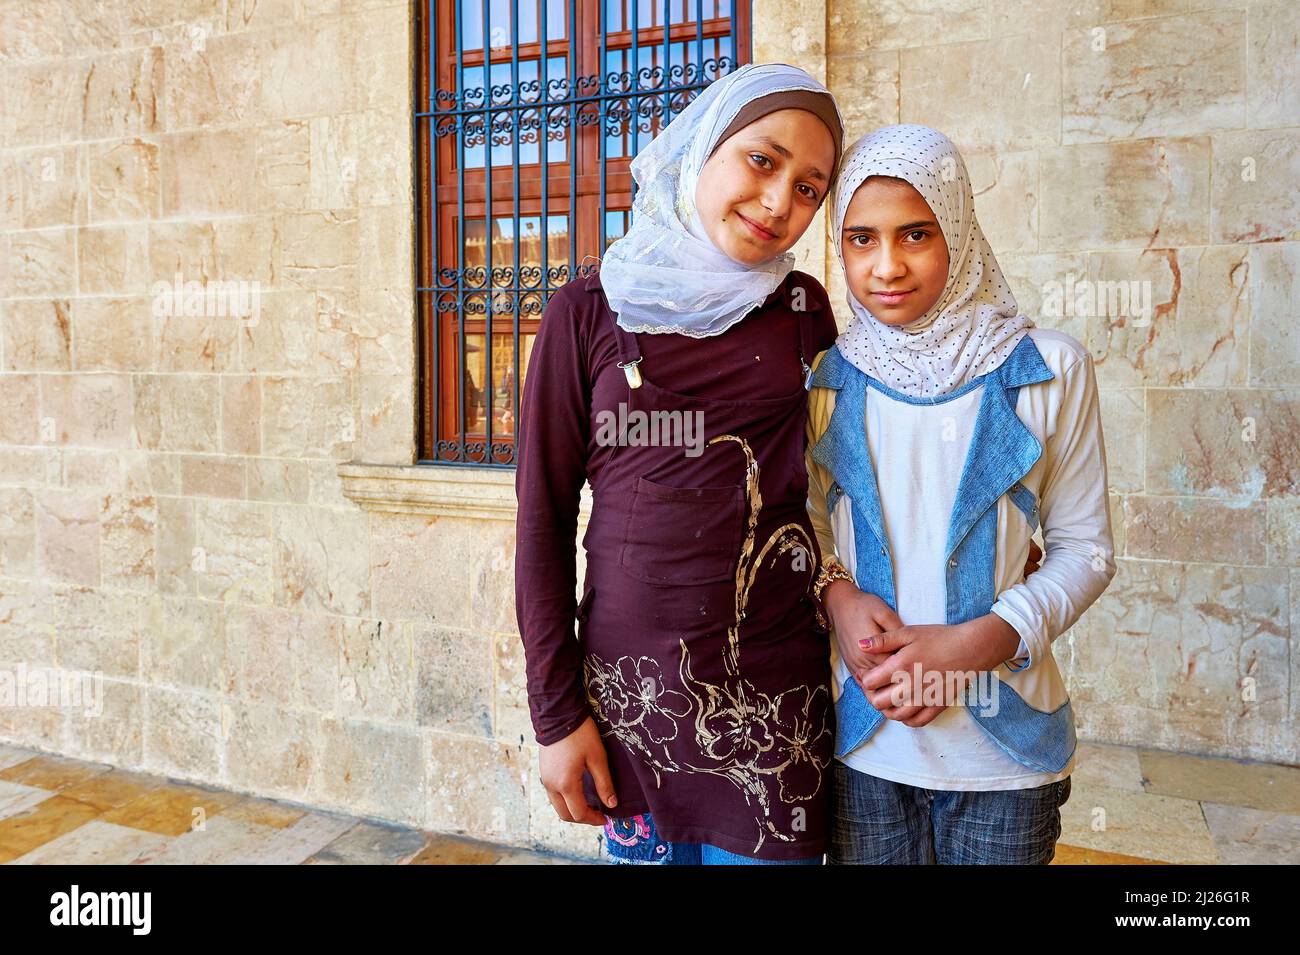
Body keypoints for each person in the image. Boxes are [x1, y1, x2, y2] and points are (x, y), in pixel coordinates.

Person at [513, 62, 845, 864]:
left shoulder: (804, 316)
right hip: (634, 714)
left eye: (809, 188)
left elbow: (847, 488)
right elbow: (543, 519)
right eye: (762, 161)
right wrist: (556, 715)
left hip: (773, 712)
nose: (778, 204)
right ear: (703, 149)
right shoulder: (587, 311)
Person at [805, 124, 1117, 864]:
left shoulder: (1047, 370)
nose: (887, 265)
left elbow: (1087, 550)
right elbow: (811, 530)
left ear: (960, 229)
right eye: (860, 238)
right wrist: (839, 600)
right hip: (864, 749)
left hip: (1004, 759)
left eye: (916, 233)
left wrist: (973, 644)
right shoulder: (825, 378)